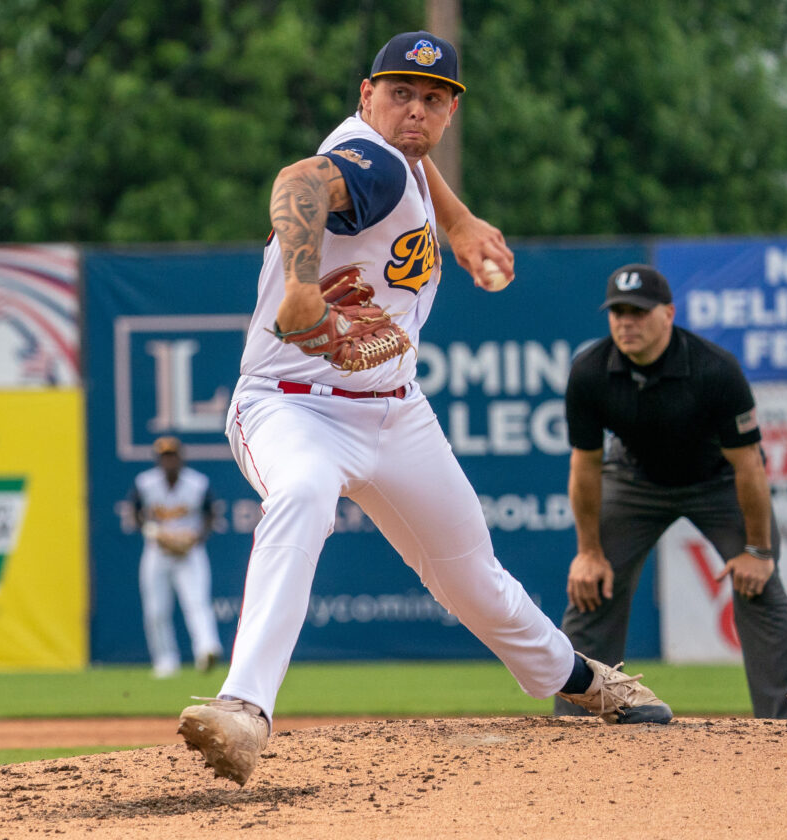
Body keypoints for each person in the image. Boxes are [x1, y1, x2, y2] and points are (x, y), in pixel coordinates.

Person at [178, 31, 671, 787]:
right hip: (292, 405)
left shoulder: (401, 157)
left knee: (470, 576)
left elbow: (409, 160)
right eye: (399, 92)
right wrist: (303, 281)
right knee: (303, 495)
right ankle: (243, 706)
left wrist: (459, 219)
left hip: (393, 412)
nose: (415, 110)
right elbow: (301, 181)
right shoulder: (366, 159)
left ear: (448, 113)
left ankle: (583, 680)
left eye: (433, 99)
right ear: (363, 97)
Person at [554, 264, 787, 720]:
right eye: (618, 311)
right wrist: (588, 551)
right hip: (635, 482)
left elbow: (749, 465)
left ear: (669, 313)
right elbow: (585, 464)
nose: (627, 322)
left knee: (760, 587)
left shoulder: (714, 368)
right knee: (591, 586)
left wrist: (758, 551)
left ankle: (786, 727)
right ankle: (575, 726)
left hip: (718, 483)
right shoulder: (590, 371)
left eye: (639, 312)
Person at [129, 436, 223, 678]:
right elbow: (136, 513)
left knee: (197, 602)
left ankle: (206, 651)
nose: (169, 461)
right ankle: (165, 660)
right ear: (158, 460)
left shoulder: (197, 483)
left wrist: (195, 537)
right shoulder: (146, 483)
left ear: (181, 458)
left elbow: (210, 514)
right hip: (157, 552)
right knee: (156, 609)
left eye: (172, 456)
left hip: (189, 552)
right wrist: (154, 534)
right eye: (164, 457)